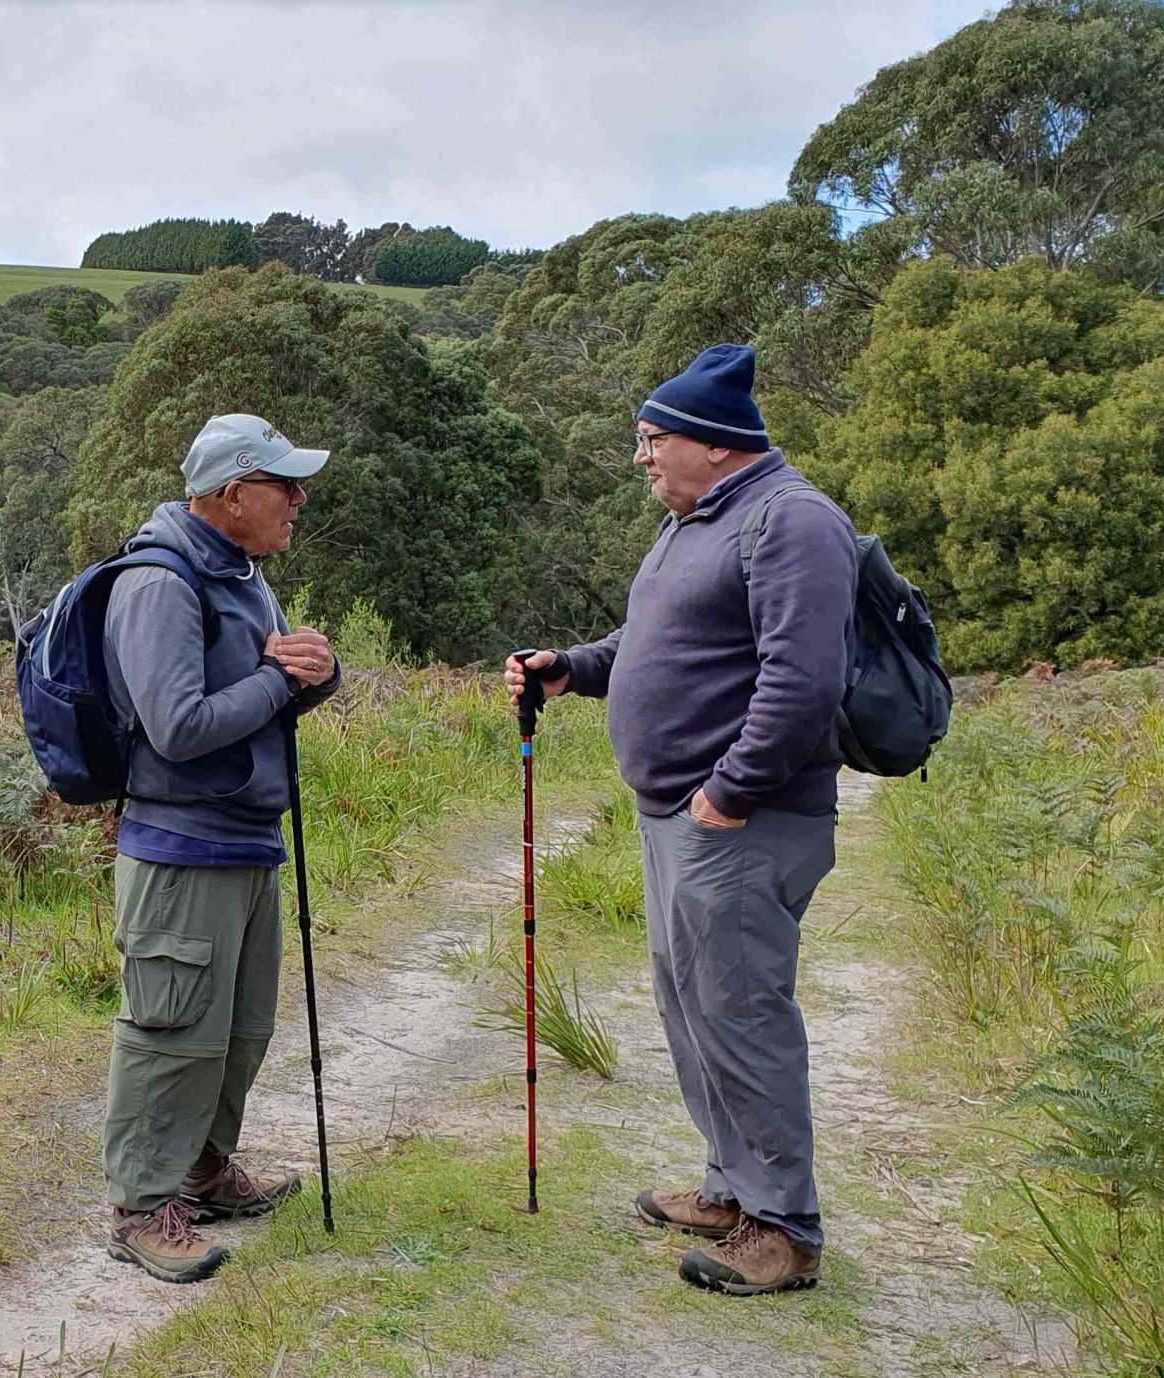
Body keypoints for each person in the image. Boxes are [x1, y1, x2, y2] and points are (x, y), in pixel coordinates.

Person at [506, 344, 857, 1296]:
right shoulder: (697, 520)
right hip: (681, 819)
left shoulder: (793, 521)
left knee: (742, 1012)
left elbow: (803, 679)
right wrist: (570, 666)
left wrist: (727, 792)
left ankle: (783, 1228)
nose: (640, 457)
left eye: (651, 439)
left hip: (743, 824)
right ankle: (731, 1186)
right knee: (693, 1005)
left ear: (712, 442)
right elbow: (654, 640)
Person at [98, 412, 342, 1283]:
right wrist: (280, 679)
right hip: (179, 848)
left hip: (245, 840)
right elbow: (178, 725)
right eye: (283, 484)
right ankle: (142, 1204)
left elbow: (261, 690)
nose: (298, 499)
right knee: (170, 1033)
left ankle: (203, 1170)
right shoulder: (161, 582)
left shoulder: (242, 574)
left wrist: (314, 675)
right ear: (232, 492)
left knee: (238, 1029)